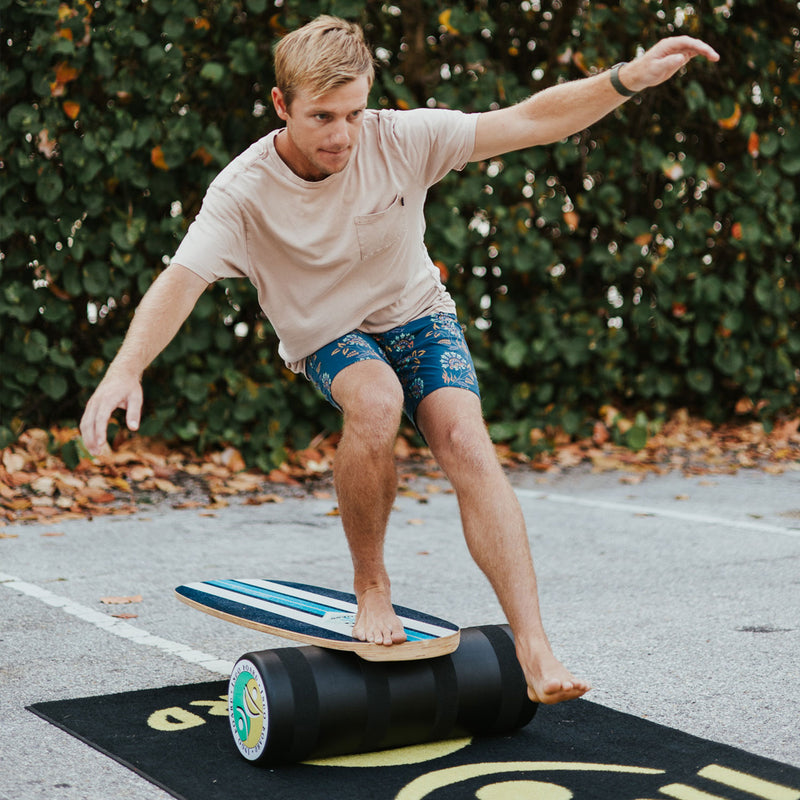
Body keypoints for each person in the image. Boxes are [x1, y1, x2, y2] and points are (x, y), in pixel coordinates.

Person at [80, 16, 719, 704]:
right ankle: (372, 587)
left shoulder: (399, 137)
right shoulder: (244, 191)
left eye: (353, 112)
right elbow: (182, 278)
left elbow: (531, 120)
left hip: (417, 313)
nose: (341, 135)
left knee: (467, 443)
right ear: (280, 105)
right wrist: (126, 367)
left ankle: (535, 648)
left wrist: (627, 78)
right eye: (322, 116)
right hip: (327, 333)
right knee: (377, 402)